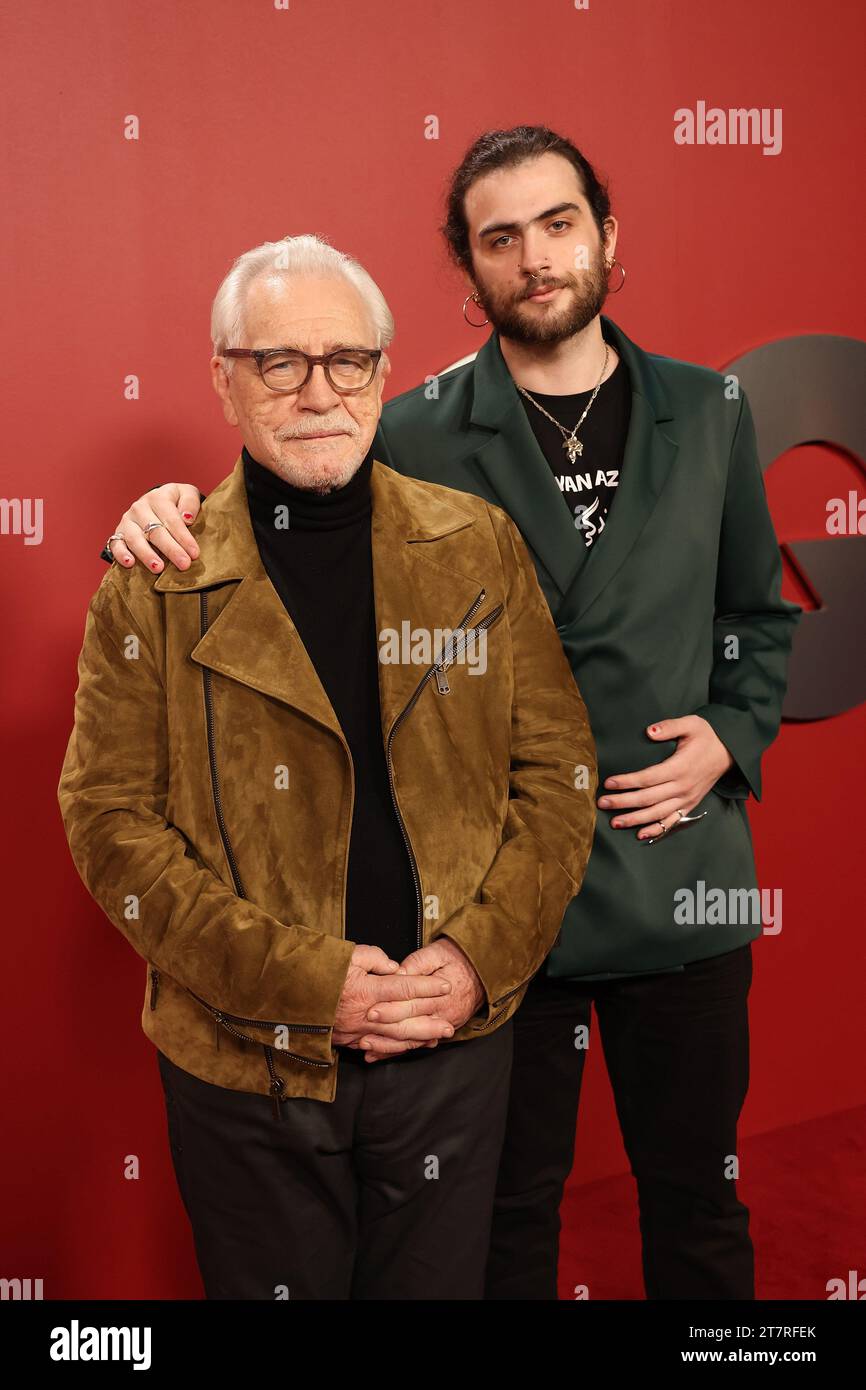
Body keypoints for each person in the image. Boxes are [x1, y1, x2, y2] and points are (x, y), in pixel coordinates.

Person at [93, 126, 801, 1300]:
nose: (533, 257)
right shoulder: (403, 423)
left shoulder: (707, 408)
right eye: (498, 237)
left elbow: (755, 611)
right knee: (500, 1229)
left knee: (696, 1196)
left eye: (558, 223)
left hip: (672, 876)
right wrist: (167, 511)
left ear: (606, 235)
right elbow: (285, 489)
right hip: (489, 925)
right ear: (464, 273)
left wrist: (733, 730)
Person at [58, 232, 597, 1301]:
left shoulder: (476, 547)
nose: (318, 391)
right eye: (278, 362)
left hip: (449, 1045)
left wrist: (476, 959)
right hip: (244, 1068)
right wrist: (307, 986)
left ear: (383, 373)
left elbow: (556, 773)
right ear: (224, 379)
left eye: (346, 359)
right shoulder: (153, 579)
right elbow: (108, 823)